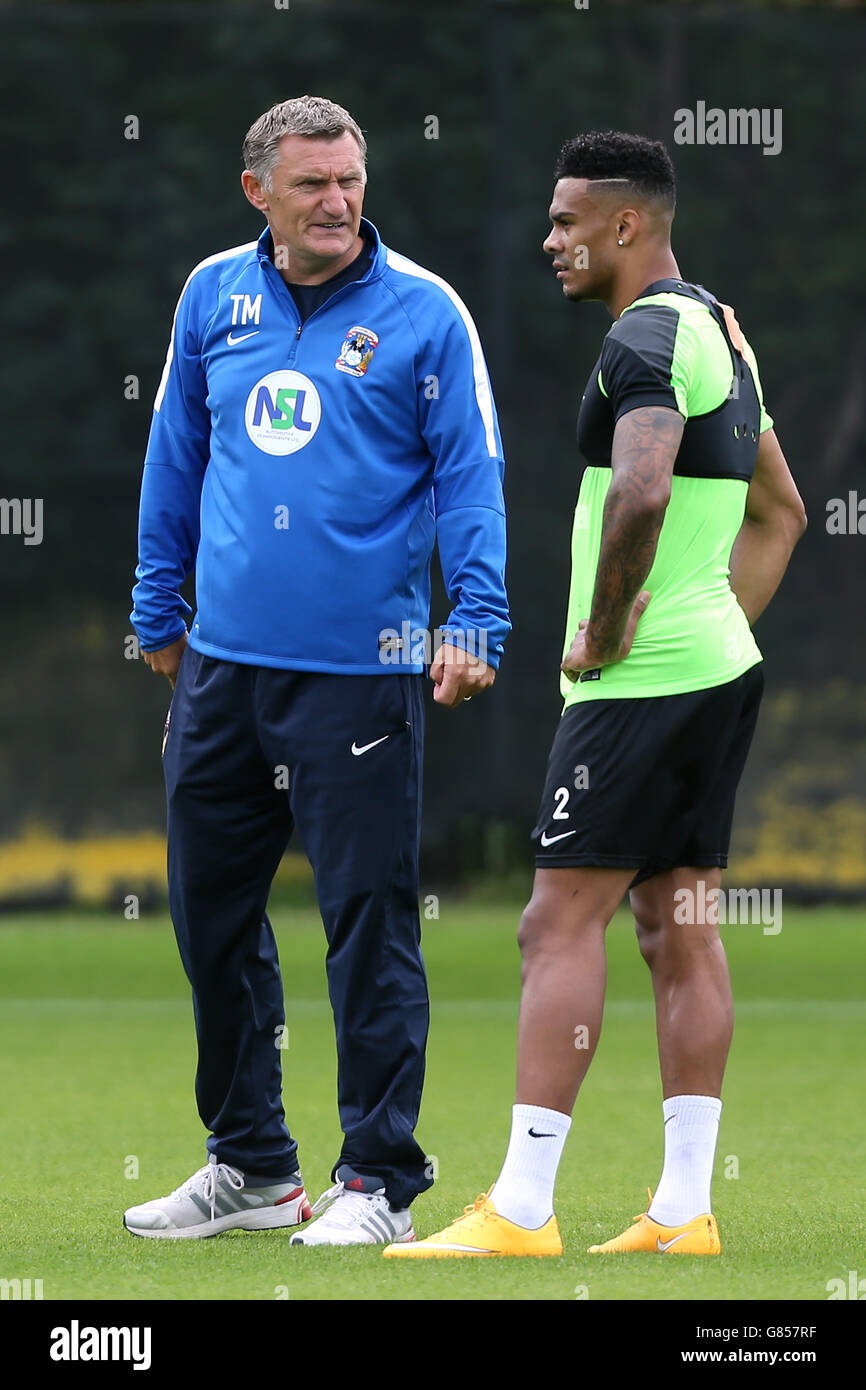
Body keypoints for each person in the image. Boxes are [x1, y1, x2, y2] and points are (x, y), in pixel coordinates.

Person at [385, 130, 805, 1260]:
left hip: (638, 682)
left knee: (554, 923)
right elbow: (783, 514)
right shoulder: (719, 330)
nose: (550, 240)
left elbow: (639, 493)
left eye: (567, 221)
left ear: (626, 225)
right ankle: (683, 1210)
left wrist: (615, 629)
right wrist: (709, 626)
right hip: (714, 668)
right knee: (679, 926)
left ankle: (521, 1209)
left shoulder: (644, 335)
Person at [125, 95, 509, 1246]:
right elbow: (175, 454)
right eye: (311, 184)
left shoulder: (425, 312)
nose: (337, 201)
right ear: (258, 192)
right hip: (222, 673)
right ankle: (251, 1166)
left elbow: (469, 474)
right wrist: (156, 604)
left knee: (366, 926)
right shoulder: (213, 295)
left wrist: (476, 615)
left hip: (361, 673)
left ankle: (378, 1180)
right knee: (208, 917)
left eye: (349, 179)